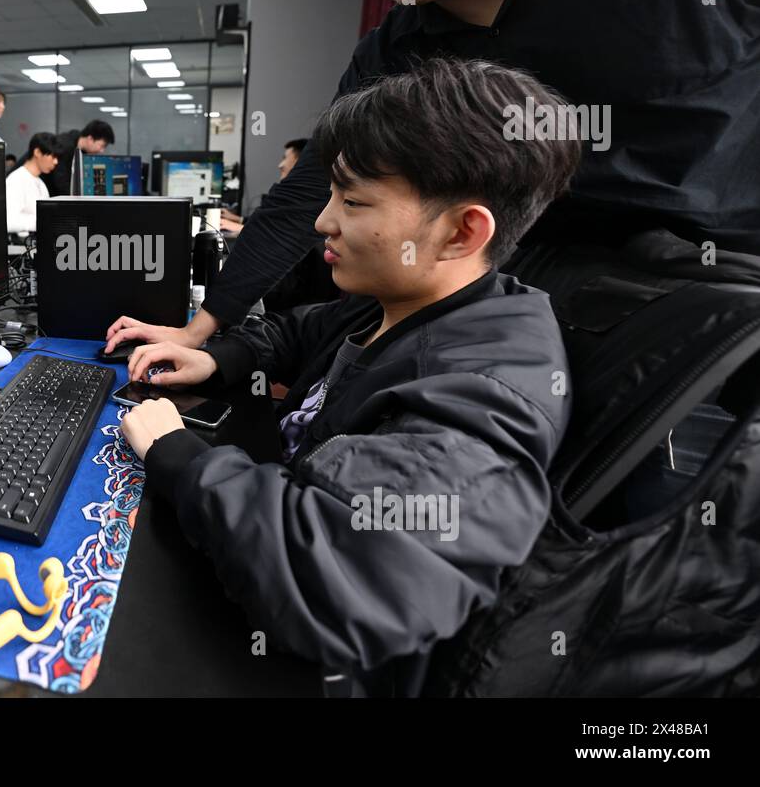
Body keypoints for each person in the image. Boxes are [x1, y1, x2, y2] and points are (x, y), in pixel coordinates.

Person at [105, 0, 760, 354]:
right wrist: (200, 329)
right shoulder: (396, 52)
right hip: (572, 330)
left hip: (735, 283)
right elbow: (303, 194)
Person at [119, 58, 581, 695]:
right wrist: (216, 357)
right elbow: (300, 330)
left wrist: (176, 454)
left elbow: (330, 573)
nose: (322, 222)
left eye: (355, 200)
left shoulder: (488, 389)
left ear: (461, 230)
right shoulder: (404, 296)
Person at [221, 138, 308, 233]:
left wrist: (238, 227)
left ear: (300, 163)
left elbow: (283, 234)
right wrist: (237, 219)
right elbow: (268, 223)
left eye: (285, 158)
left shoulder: (302, 202)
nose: (280, 165)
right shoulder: (291, 196)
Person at [43, 119, 115, 197]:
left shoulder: (82, 150)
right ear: (90, 139)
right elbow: (61, 182)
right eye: (102, 146)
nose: (102, 151)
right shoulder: (64, 147)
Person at [5, 133, 58, 234]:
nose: (56, 161)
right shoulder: (16, 180)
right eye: (52, 156)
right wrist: (42, 221)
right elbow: (8, 221)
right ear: (37, 152)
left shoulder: (41, 184)